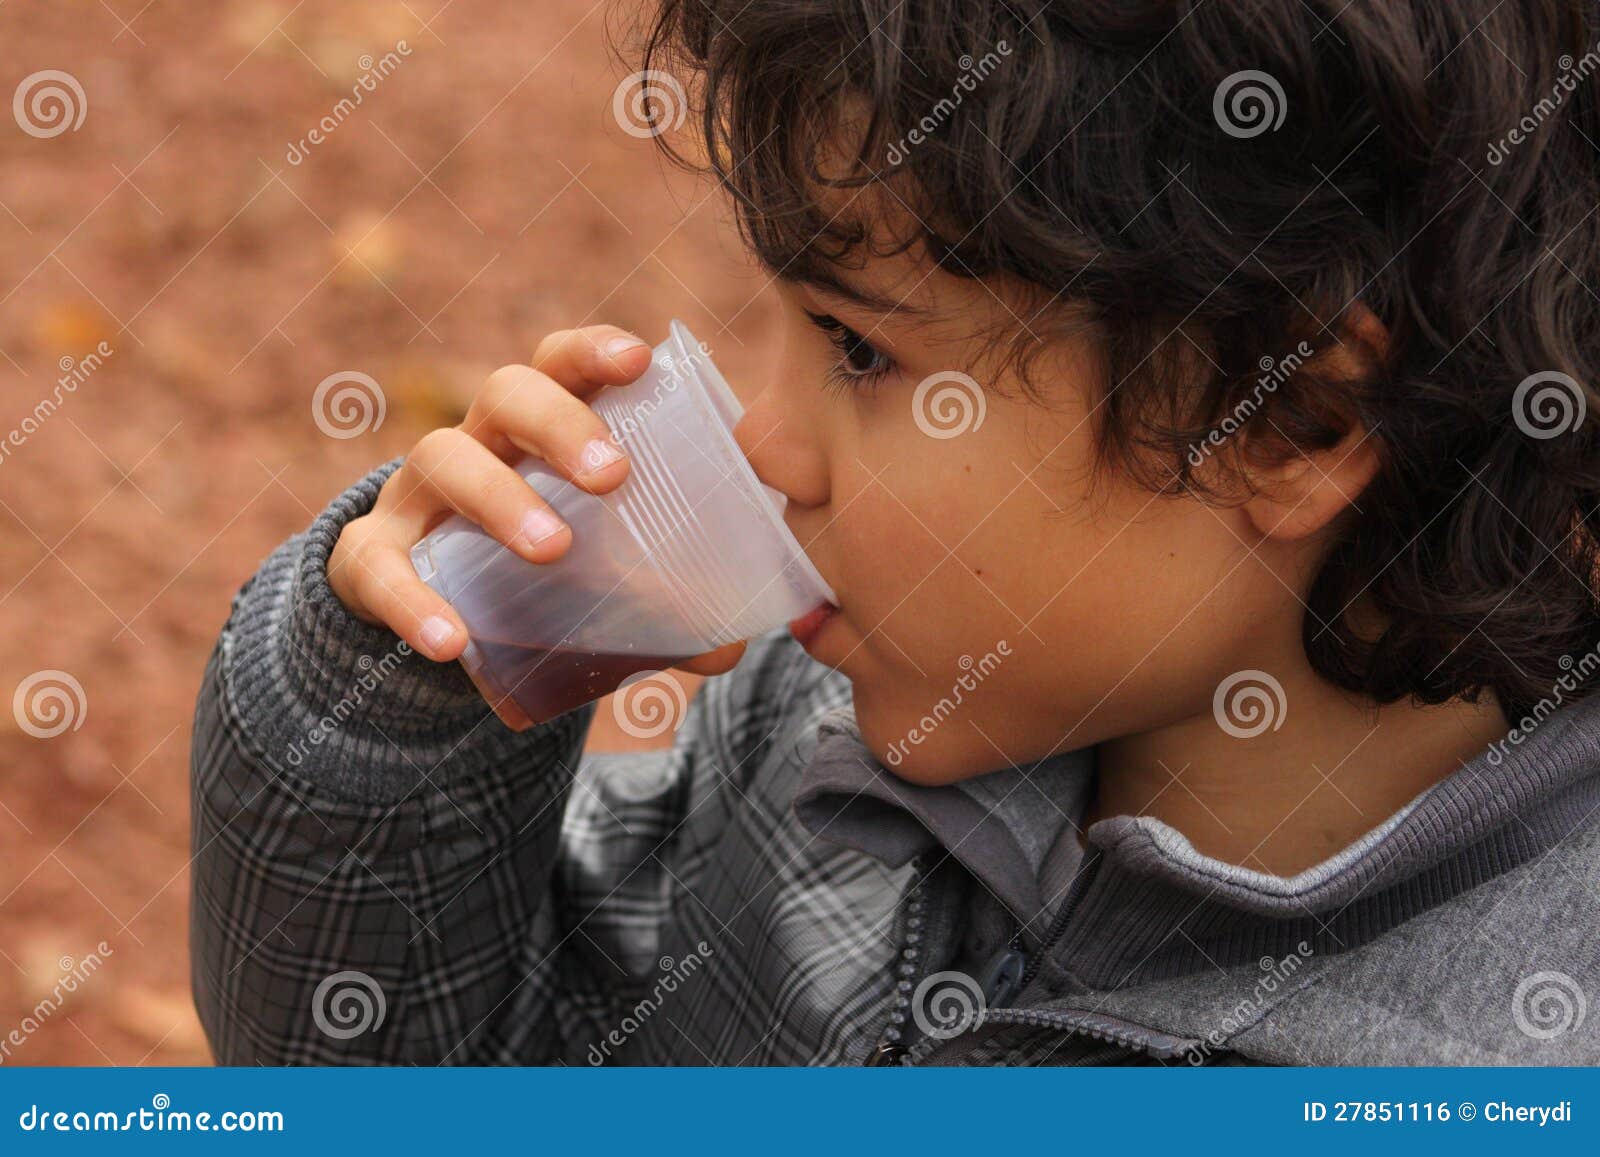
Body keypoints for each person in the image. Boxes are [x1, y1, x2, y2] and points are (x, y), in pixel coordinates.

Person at [191, 0, 1600, 1064]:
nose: (765, 445)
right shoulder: (821, 730)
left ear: (1286, 421)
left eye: (858, 351)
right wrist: (394, 705)